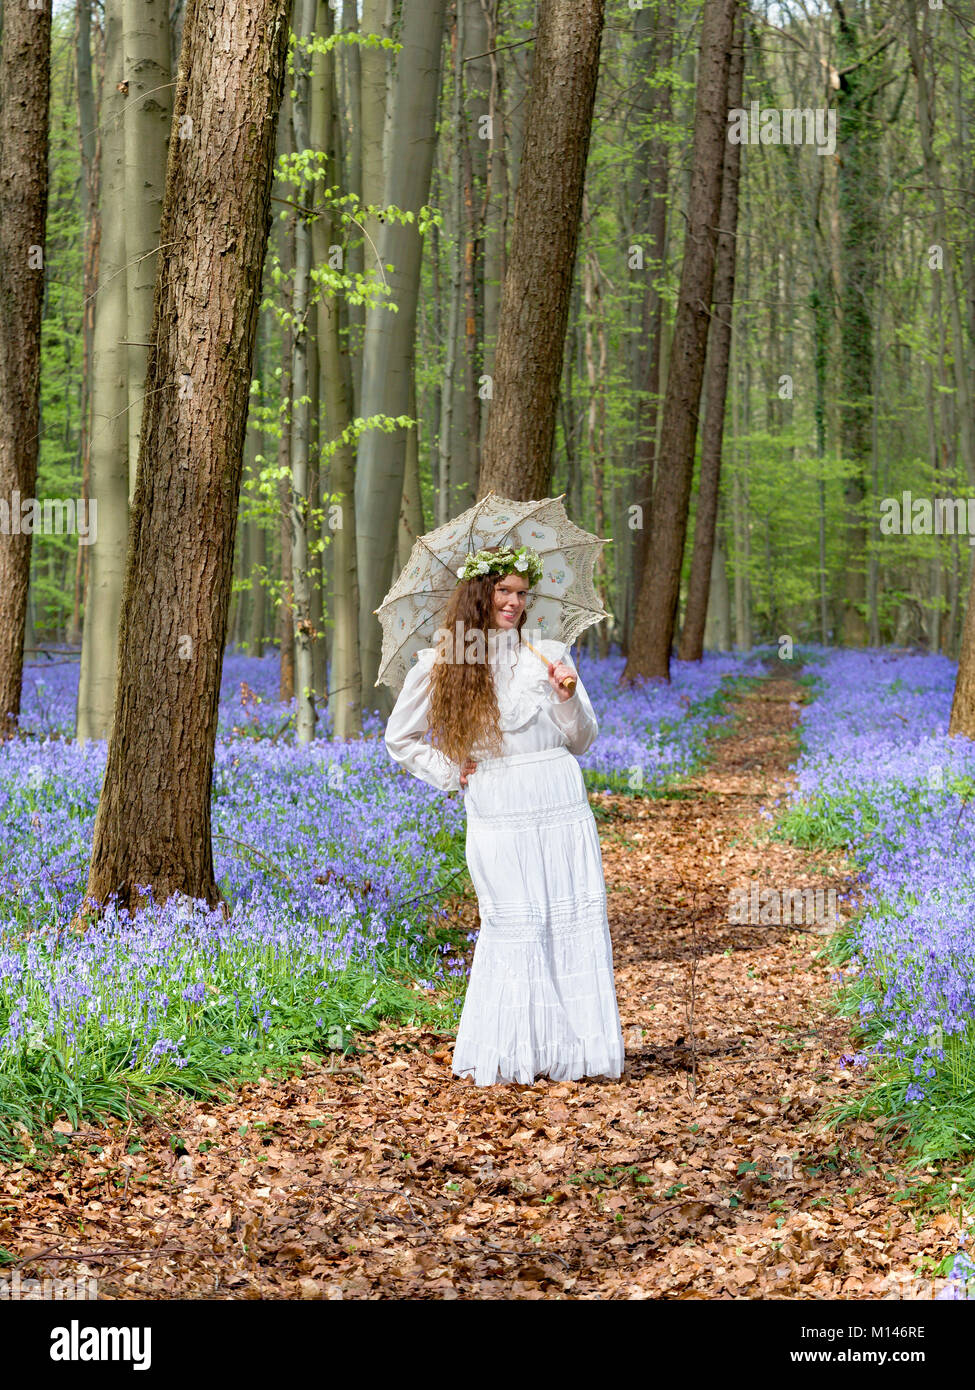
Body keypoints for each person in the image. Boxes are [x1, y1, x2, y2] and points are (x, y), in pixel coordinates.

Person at [383, 542, 625, 1086]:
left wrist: (566, 695)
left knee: (565, 919)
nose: (515, 602)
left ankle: (573, 1051)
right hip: (496, 804)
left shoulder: (551, 654)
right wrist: (453, 770)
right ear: (479, 593)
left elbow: (582, 739)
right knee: (515, 920)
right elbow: (400, 738)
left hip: (559, 796)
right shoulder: (446, 661)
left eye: (521, 593)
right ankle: (514, 1050)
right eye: (504, 591)